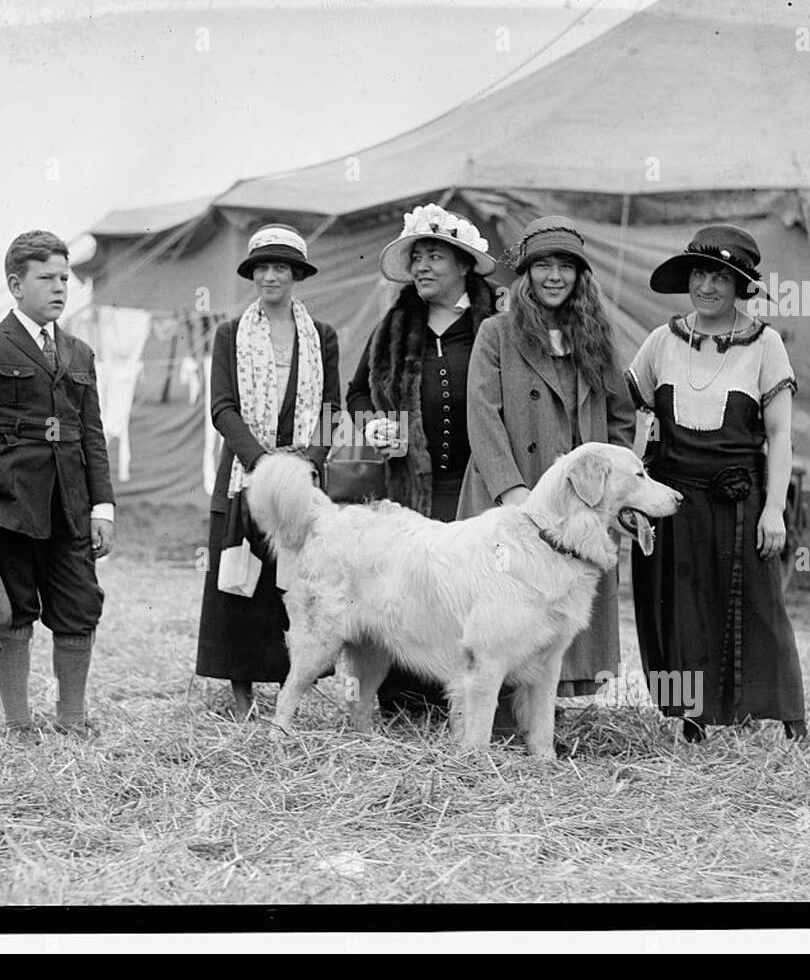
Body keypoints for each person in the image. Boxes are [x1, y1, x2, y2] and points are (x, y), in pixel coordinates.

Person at [626, 224, 807, 743]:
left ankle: (787, 716)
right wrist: (635, 496)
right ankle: (692, 720)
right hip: (672, 498)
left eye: (721, 278)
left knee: (759, 604)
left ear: (742, 285)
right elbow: (635, 422)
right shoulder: (661, 341)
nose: (707, 286)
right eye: (700, 274)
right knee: (681, 605)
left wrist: (773, 510)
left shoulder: (766, 344)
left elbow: (780, 437)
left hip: (739, 499)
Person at [458, 216, 636, 709]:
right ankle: (490, 715)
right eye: (543, 266)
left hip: (580, 502)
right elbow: (483, 414)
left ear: (581, 276)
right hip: (511, 492)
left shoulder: (597, 337)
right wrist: (511, 490)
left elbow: (621, 418)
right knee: (504, 609)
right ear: (527, 274)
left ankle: (544, 715)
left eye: (565, 266)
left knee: (563, 608)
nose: (554, 276)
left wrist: (612, 491)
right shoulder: (496, 333)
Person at [0, 230, 115, 738]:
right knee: (12, 609)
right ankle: (18, 725)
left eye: (64, 277)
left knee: (79, 607)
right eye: (47, 278)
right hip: (8, 503)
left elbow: (92, 436)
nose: (60, 287)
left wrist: (102, 508)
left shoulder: (80, 353)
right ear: (16, 285)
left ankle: (72, 721)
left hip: (70, 504)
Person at [346, 203, 500, 715]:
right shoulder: (393, 327)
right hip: (411, 485)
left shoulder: (493, 325)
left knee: (476, 591)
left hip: (478, 483)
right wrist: (374, 424)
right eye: (417, 258)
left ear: (462, 264)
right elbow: (357, 393)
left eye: (434, 256)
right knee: (414, 590)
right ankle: (409, 701)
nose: (422, 268)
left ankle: (479, 703)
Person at [195, 224, 341, 720]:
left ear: (297, 274)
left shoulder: (321, 336)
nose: (271, 276)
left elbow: (330, 407)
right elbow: (222, 407)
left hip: (302, 481)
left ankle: (288, 696)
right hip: (245, 476)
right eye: (263, 267)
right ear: (252, 274)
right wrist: (262, 464)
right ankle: (240, 700)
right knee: (240, 580)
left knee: (294, 588)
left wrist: (309, 464)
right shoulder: (231, 334)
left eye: (281, 267)